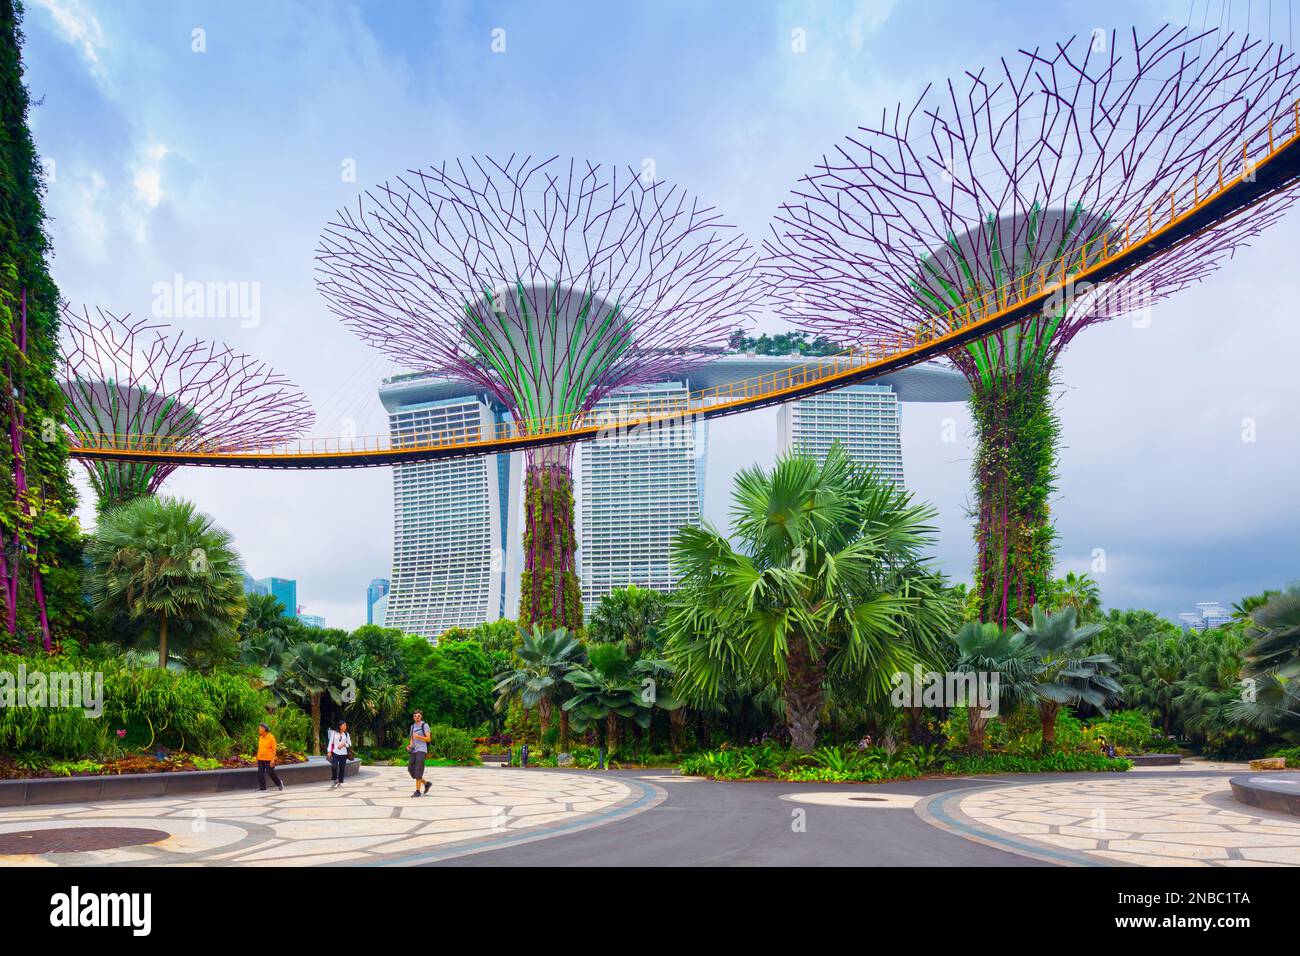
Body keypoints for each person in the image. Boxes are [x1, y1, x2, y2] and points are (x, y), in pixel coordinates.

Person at [407, 710, 432, 798]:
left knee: (418, 769)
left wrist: (419, 737)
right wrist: (410, 746)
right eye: (415, 716)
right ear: (413, 717)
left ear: (421, 717)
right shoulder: (412, 727)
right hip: (414, 750)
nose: (417, 717)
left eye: (418, 715)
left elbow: (428, 739)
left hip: (422, 750)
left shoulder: (425, 726)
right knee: (410, 769)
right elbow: (412, 739)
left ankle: (417, 791)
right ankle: (426, 783)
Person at [256, 723, 283, 792]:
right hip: (260, 759)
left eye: (259, 729)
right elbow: (260, 748)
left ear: (264, 729)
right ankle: (263, 788)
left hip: (269, 759)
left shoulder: (271, 737)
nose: (258, 730)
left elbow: (274, 749)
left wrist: (273, 760)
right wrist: (257, 758)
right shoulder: (260, 737)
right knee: (260, 773)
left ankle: (279, 783)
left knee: (270, 771)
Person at [327, 720, 352, 789]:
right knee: (334, 766)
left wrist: (344, 744)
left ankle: (340, 782)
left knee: (342, 768)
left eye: (346, 725)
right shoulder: (334, 733)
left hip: (344, 753)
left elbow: (350, 744)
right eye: (344, 725)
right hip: (335, 752)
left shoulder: (346, 734)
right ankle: (335, 779)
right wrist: (329, 751)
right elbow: (330, 742)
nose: (345, 727)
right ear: (340, 726)